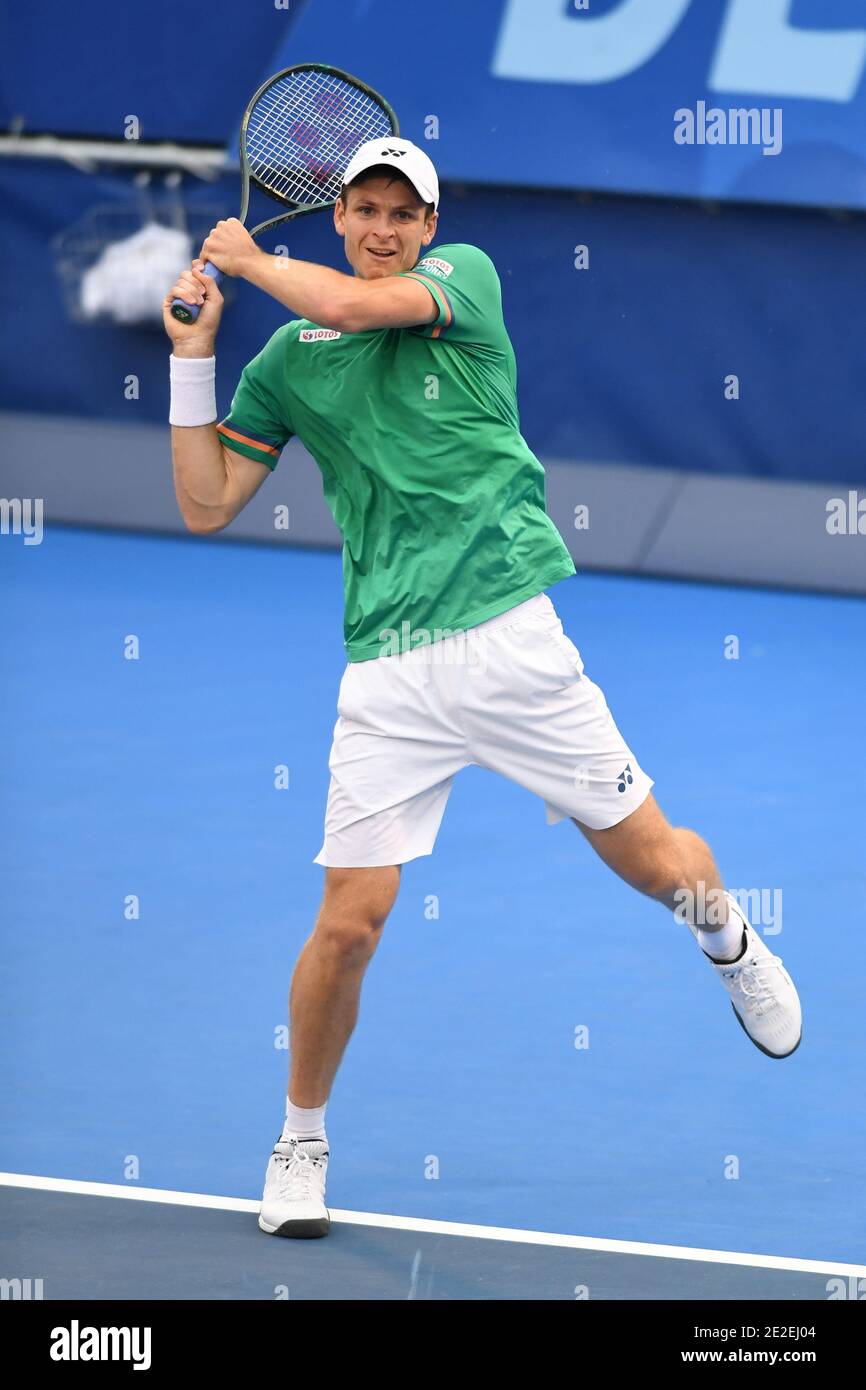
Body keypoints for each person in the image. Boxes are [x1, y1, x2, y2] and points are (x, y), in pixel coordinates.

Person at [162, 138, 802, 1241]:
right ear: (336, 219)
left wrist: (250, 266)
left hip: (513, 643)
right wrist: (195, 356)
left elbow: (361, 311)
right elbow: (207, 502)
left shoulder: (463, 282)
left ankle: (729, 939)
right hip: (388, 672)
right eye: (361, 208)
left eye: (399, 214)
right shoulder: (283, 364)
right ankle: (300, 1142)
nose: (380, 227)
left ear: (426, 227)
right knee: (348, 925)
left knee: (658, 868)